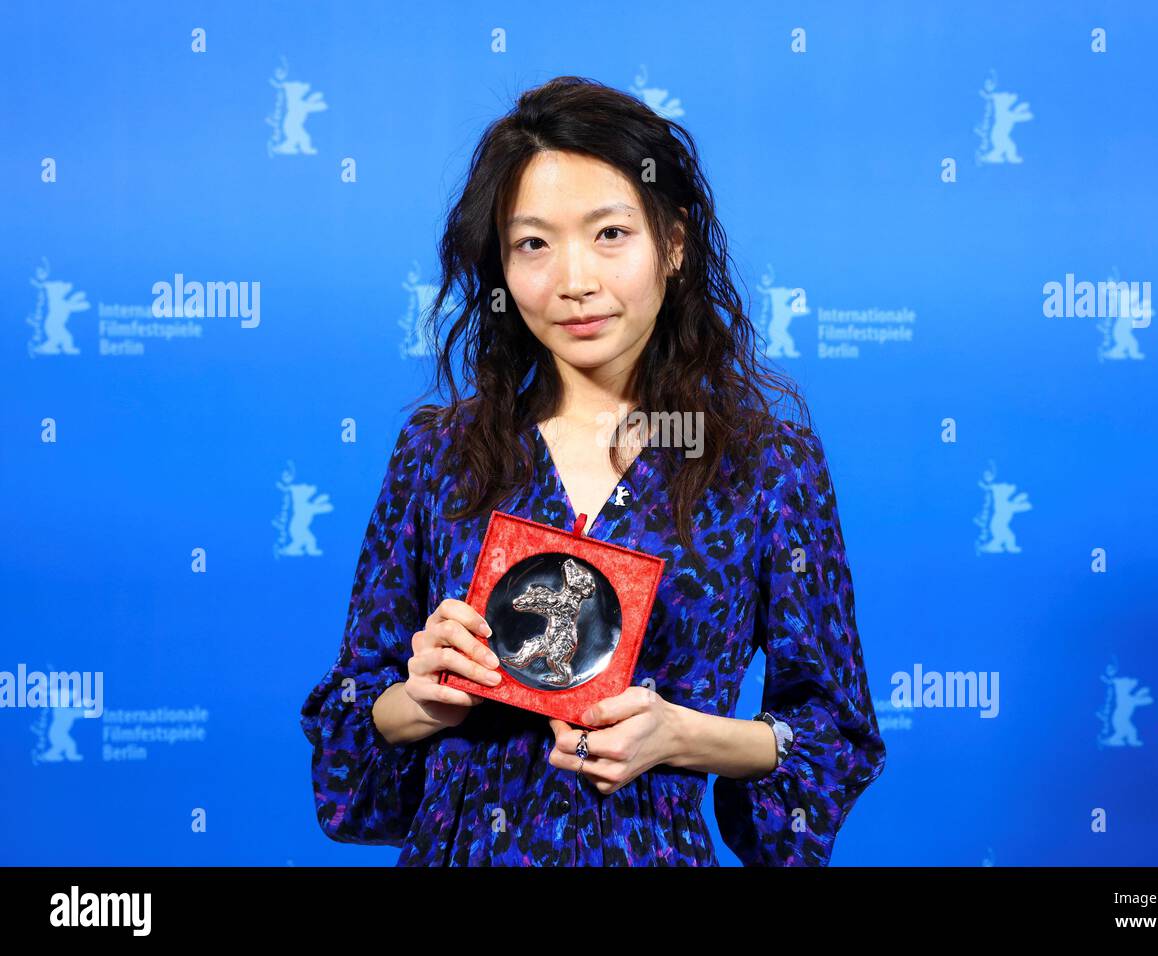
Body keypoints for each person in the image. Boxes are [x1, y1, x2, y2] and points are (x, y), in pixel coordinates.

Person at [299, 75, 886, 866]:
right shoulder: (439, 452)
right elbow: (348, 728)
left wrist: (682, 734)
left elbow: (833, 734)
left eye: (610, 234)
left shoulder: (764, 466)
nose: (574, 281)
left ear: (673, 243)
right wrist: (420, 701)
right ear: (500, 269)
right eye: (533, 244)